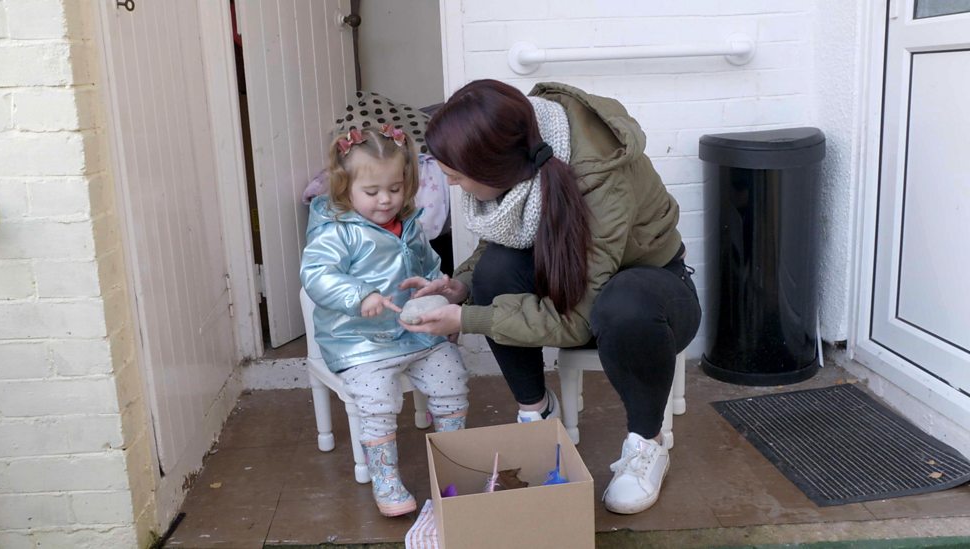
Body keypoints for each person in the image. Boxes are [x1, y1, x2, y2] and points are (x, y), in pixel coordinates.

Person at [400, 80, 701, 515]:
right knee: (494, 271)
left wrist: (469, 320)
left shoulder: (601, 178)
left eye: (458, 178)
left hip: (653, 297)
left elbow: (578, 320)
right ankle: (536, 412)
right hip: (576, 282)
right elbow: (508, 235)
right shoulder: (528, 141)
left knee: (623, 304)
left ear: (494, 168)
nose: (457, 189)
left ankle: (646, 444)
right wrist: (461, 285)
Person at [300, 124, 469, 517]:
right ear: (345, 188)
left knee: (453, 376)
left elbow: (429, 263)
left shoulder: (410, 224)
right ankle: (386, 477)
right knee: (376, 399)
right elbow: (318, 276)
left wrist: (433, 285)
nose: (385, 201)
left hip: (413, 334)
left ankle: (450, 463)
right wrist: (360, 296)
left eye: (395, 189)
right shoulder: (335, 231)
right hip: (357, 340)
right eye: (372, 193)